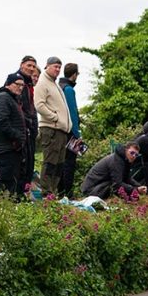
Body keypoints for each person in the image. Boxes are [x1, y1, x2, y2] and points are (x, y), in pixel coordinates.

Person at [34, 56, 71, 195]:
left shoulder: (54, 83)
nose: (57, 69)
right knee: (50, 163)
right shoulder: (42, 82)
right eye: (55, 66)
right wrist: (54, 117)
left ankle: (52, 192)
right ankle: (46, 193)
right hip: (51, 129)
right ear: (47, 66)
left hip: (61, 130)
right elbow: (39, 105)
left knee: (59, 164)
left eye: (59, 67)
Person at [0, 73, 28, 198]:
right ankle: (5, 212)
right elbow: (2, 122)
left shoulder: (12, 99)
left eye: (22, 85)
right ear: (8, 84)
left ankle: (12, 210)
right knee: (7, 184)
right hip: (5, 149)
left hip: (13, 149)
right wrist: (18, 136)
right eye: (17, 84)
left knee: (14, 183)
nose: (20, 87)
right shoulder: (3, 98)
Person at [80, 142, 147, 199]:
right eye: (132, 153)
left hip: (99, 186)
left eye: (136, 155)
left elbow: (127, 178)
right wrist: (135, 190)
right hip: (91, 190)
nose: (134, 156)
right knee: (115, 185)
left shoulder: (124, 160)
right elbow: (117, 184)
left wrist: (138, 186)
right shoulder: (116, 161)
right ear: (126, 150)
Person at [58, 63, 82, 198]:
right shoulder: (69, 89)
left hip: (61, 130)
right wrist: (77, 134)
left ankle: (61, 192)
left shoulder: (59, 86)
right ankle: (68, 193)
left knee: (62, 163)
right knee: (70, 164)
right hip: (70, 132)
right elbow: (72, 112)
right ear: (74, 75)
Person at [16, 56, 39, 190]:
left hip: (30, 130)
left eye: (33, 66)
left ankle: (24, 194)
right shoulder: (18, 81)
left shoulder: (29, 83)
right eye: (29, 65)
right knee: (22, 166)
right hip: (22, 129)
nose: (31, 68)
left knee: (30, 165)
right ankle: (17, 197)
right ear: (21, 65)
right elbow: (19, 107)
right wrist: (28, 123)